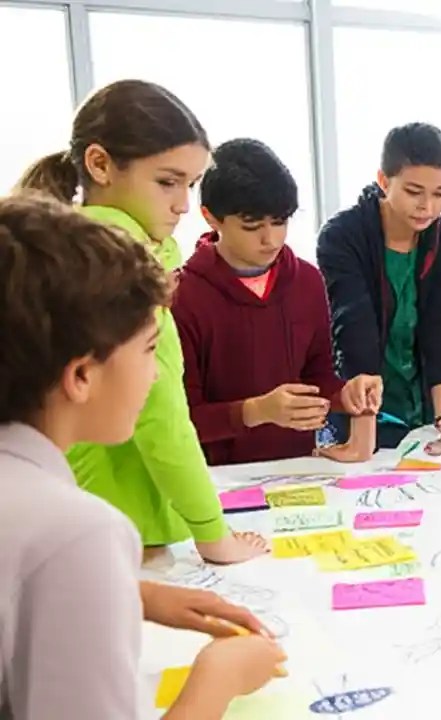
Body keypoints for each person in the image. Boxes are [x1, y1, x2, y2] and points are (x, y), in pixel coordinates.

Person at [0, 193, 286, 719]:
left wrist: (135, 596)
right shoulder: (76, 530)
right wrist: (218, 679)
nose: (155, 375)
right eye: (150, 349)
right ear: (82, 375)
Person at [15, 79, 264, 563]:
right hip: (116, 521)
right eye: (167, 182)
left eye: (190, 185)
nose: (183, 205)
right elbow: (161, 411)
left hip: (85, 508)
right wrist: (212, 533)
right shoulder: (115, 266)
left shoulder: (71, 246)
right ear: (100, 164)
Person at [172, 138, 380, 466]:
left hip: (299, 472)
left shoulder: (307, 282)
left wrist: (346, 394)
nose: (271, 240)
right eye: (252, 226)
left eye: (280, 222)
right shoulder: (184, 295)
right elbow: (178, 420)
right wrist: (256, 411)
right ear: (211, 217)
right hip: (219, 478)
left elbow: (316, 379)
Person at [317, 123, 441, 449]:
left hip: (423, 410)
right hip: (362, 413)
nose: (427, 206)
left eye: (440, 193)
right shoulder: (343, 236)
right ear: (384, 180)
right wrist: (361, 440)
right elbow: (354, 333)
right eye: (414, 192)